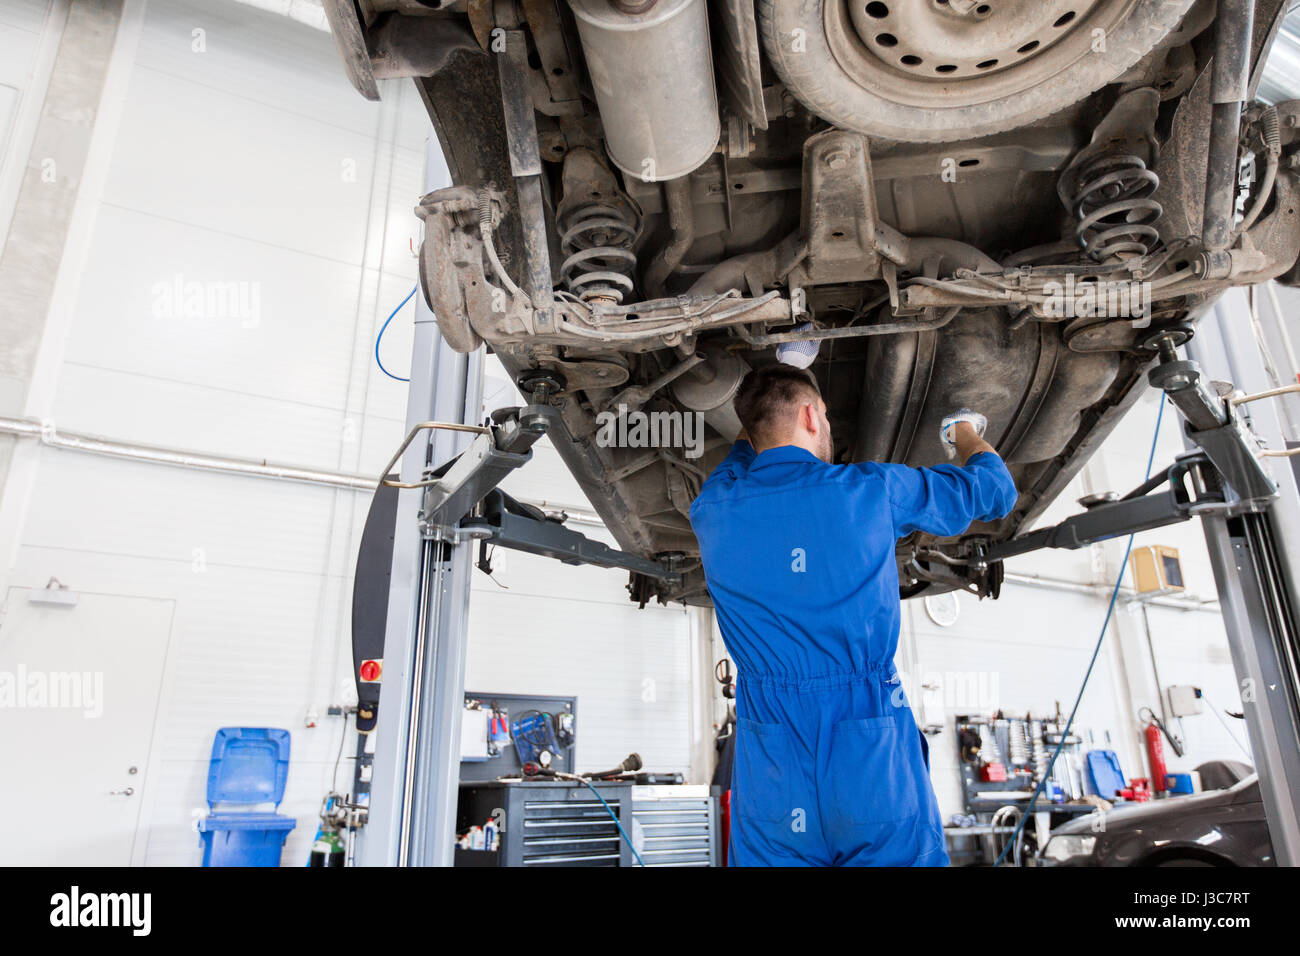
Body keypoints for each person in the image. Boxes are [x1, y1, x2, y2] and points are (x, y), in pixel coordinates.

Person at [688, 365, 1018, 866]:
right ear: (810, 415)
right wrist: (962, 430)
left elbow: (743, 455)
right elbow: (995, 491)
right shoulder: (870, 489)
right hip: (866, 739)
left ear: (752, 434)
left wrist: (757, 422)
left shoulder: (712, 506)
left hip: (771, 751)